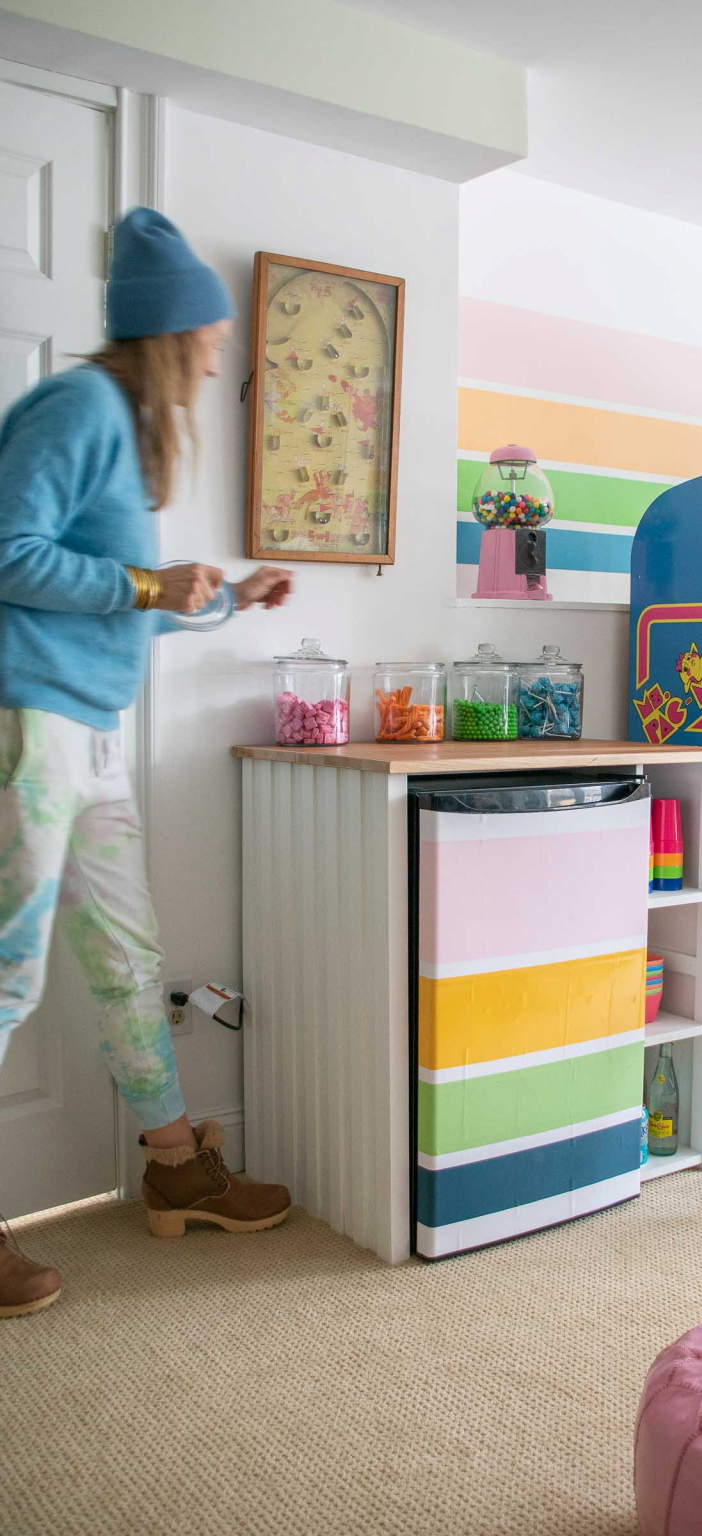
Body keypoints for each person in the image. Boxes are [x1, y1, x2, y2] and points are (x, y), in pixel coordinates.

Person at [0, 208, 293, 1320]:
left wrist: (224, 597)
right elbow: (8, 553)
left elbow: (122, 611)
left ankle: (175, 1164)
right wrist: (142, 586)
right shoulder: (79, 405)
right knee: (7, 973)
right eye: (213, 334)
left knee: (128, 957)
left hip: (91, 734)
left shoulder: (128, 430)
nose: (221, 354)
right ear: (171, 331)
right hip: (27, 726)